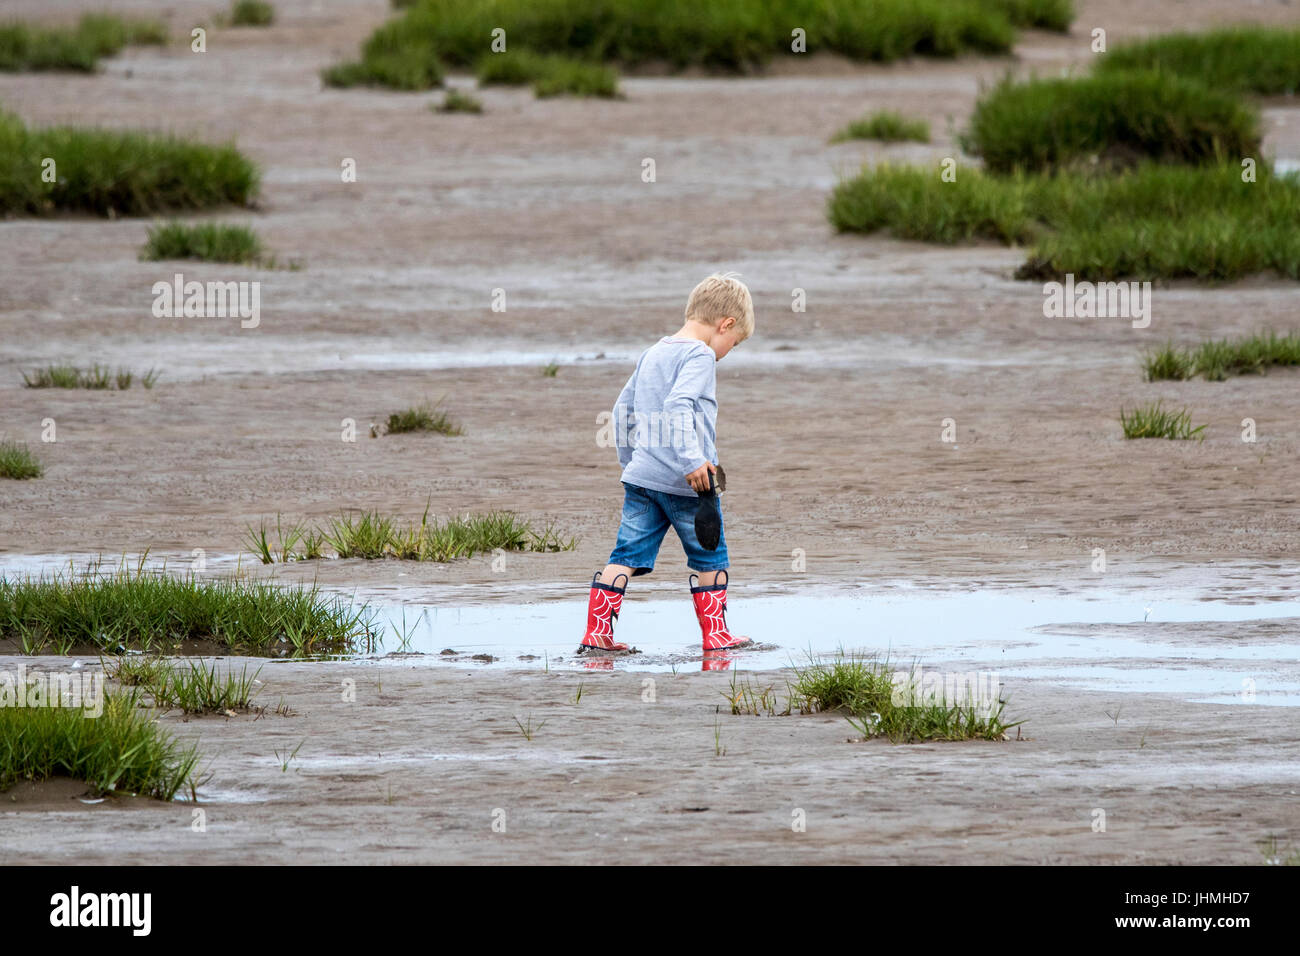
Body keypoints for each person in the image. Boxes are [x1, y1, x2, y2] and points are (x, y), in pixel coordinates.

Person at [579, 272, 755, 654]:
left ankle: (598, 635)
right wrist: (692, 461)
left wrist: (632, 461)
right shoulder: (701, 355)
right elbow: (679, 405)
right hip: (690, 483)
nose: (728, 351)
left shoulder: (653, 352)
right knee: (710, 555)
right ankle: (716, 635)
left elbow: (620, 410)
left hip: (642, 479)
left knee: (624, 556)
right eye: (734, 342)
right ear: (726, 324)